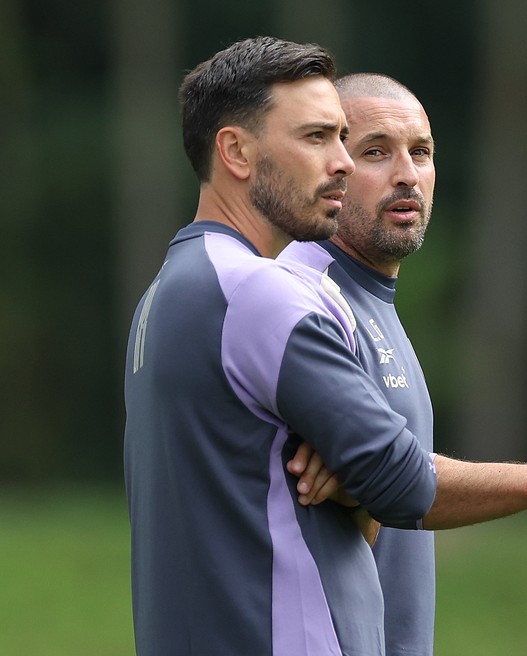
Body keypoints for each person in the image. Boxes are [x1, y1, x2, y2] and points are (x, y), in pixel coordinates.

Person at [278, 73, 527, 656]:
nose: (407, 174)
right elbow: (382, 479)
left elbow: (372, 478)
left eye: (422, 153)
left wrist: (362, 482)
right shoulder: (303, 294)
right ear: (329, 166)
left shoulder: (367, 297)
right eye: (376, 152)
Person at [122, 38, 441, 655]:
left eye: (421, 152)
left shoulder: (175, 290)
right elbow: (394, 480)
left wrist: (355, 473)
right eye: (321, 138)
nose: (343, 163)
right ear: (236, 151)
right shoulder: (268, 293)